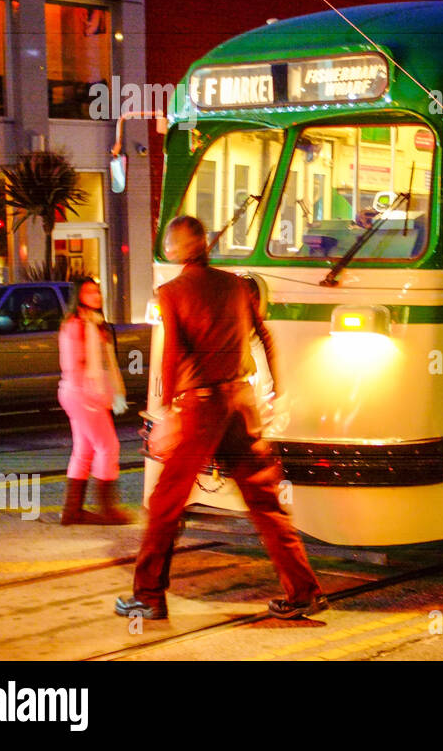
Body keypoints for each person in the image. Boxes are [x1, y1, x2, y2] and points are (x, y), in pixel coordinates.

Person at [115, 215, 326, 621]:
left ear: (179, 249)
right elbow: (263, 336)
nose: (170, 251)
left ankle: (149, 596)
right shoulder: (235, 285)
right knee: (265, 501)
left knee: (165, 503)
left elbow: (173, 353)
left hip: (202, 406)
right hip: (241, 402)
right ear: (206, 245)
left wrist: (168, 413)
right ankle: (303, 591)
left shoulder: (172, 292)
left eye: (171, 245)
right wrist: (274, 388)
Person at [58, 278, 130, 526]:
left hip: (79, 393)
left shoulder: (93, 324)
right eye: (89, 291)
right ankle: (108, 510)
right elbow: (76, 364)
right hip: (84, 394)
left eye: (97, 291)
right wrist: (96, 393)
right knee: (108, 447)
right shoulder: (78, 325)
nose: (96, 295)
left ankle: (72, 511)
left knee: (84, 450)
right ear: (78, 296)